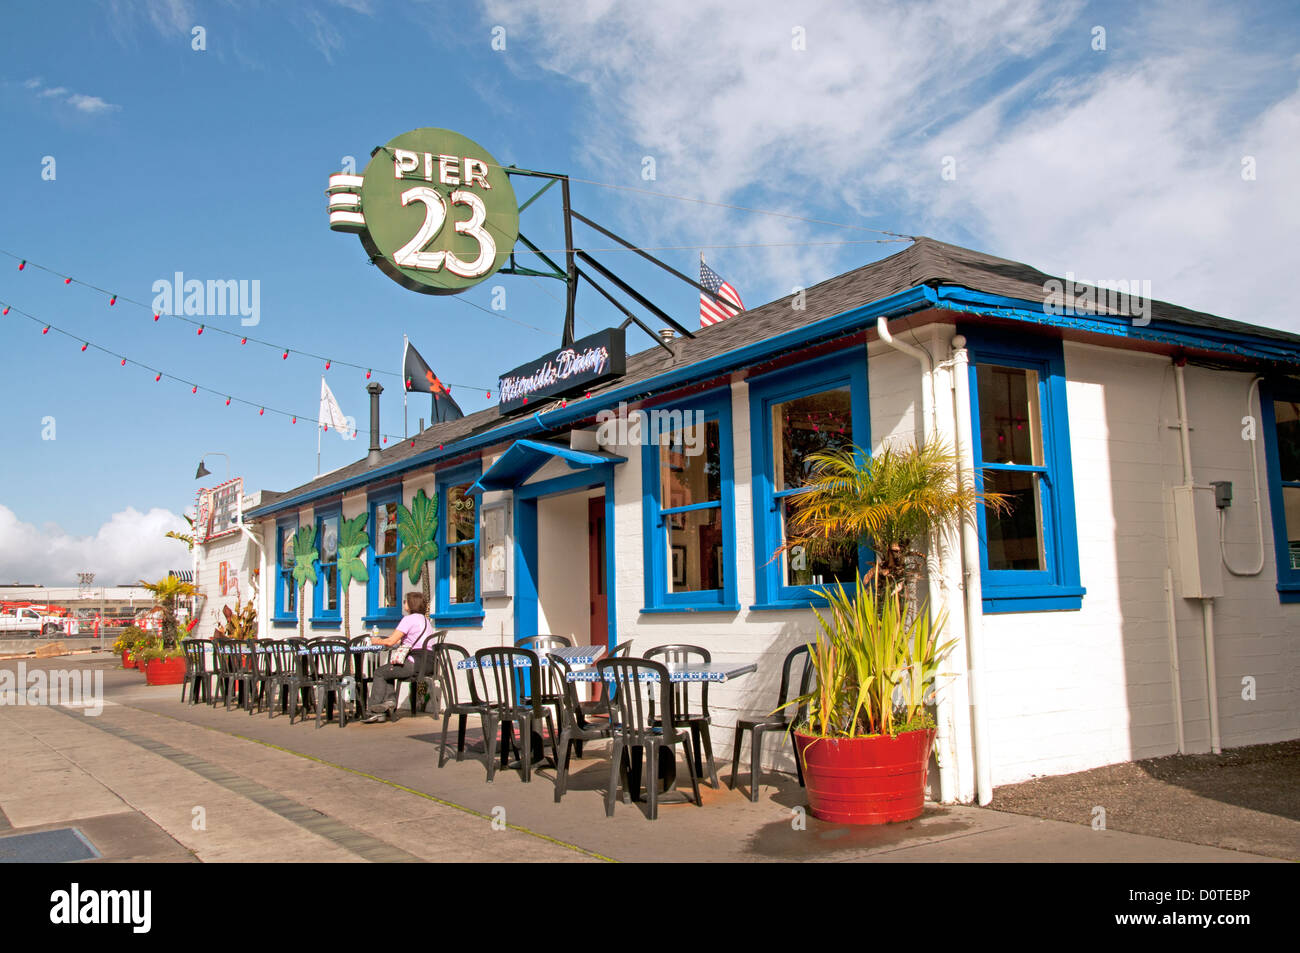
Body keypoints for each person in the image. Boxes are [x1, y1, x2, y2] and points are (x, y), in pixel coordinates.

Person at [362, 592, 433, 723]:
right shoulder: (425, 620)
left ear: (411, 604)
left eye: (405, 601)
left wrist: (375, 641)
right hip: (428, 663)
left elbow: (391, 642)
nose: (404, 604)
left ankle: (372, 711)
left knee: (379, 673)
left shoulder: (408, 619)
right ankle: (388, 703)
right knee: (389, 670)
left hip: (414, 664)